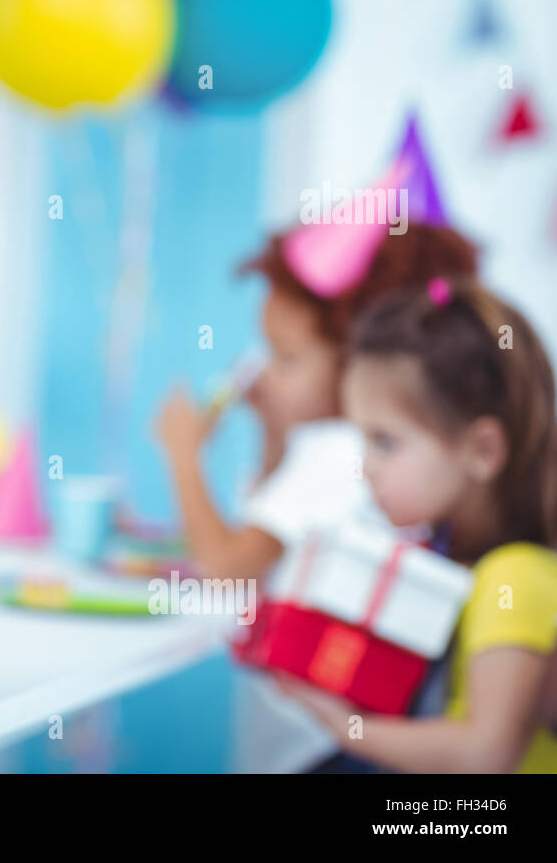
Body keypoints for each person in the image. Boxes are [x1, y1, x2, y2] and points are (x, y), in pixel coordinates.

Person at [154, 222, 478, 772]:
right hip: (333, 736)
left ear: (355, 360)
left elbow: (230, 568)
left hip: (322, 746)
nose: (265, 373)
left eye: (286, 358)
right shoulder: (349, 450)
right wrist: (272, 434)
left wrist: (183, 457)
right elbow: (270, 537)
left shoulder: (337, 452)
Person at [280, 280, 557, 773]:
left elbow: (486, 754)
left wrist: (350, 729)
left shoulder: (512, 577)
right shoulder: (458, 559)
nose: (366, 468)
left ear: (483, 451)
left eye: (385, 442)